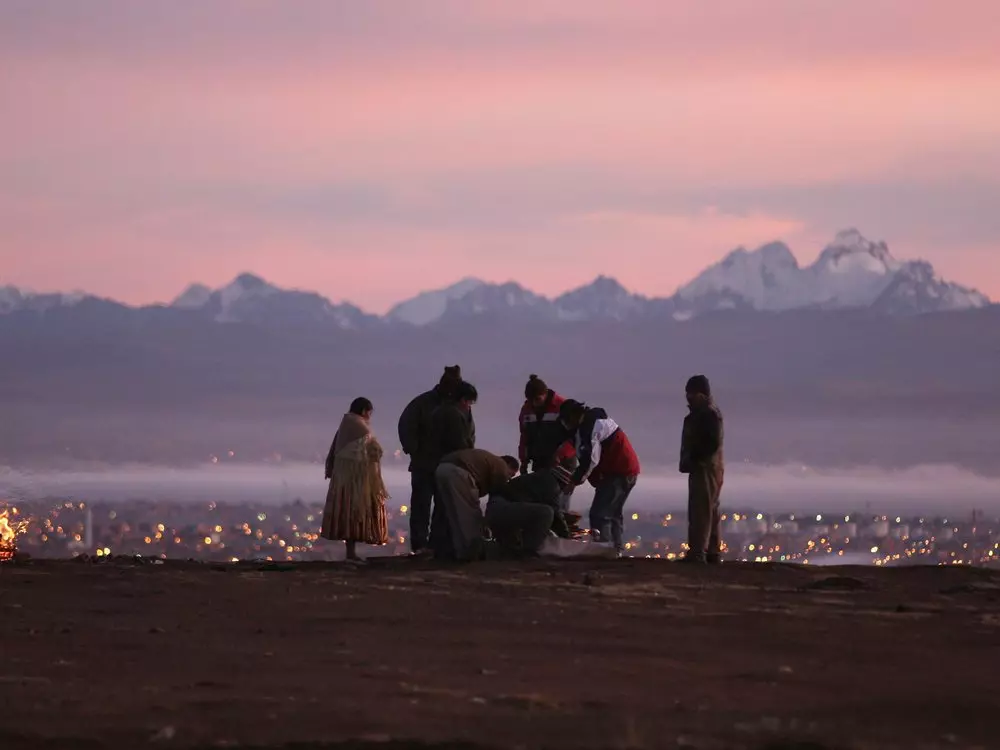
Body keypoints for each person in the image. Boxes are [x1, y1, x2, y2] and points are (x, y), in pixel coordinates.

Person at [559, 399, 641, 556]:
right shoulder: (596, 422)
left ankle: (603, 551)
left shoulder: (589, 427)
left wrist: (574, 481)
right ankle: (616, 549)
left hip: (618, 472)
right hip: (627, 470)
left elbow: (591, 459)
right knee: (614, 513)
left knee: (600, 513)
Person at [397, 365, 463, 554]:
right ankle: (421, 545)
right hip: (425, 465)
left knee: (439, 507)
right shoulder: (423, 403)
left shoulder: (433, 403)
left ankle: (434, 544)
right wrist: (414, 450)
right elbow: (406, 426)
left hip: (441, 464)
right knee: (422, 506)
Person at [320, 397, 389, 562]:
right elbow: (375, 450)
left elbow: (335, 451)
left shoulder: (344, 425)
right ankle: (351, 553)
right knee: (356, 512)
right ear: (365, 411)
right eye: (369, 413)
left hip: (342, 480)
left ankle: (350, 552)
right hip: (357, 481)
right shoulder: (360, 427)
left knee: (347, 513)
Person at [434, 449, 519, 561]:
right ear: (508, 465)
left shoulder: (488, 460)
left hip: (441, 469)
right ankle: (472, 552)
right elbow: (497, 492)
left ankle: (457, 551)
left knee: (453, 514)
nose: (508, 478)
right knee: (470, 517)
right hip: (459, 473)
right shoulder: (501, 466)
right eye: (511, 474)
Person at [426, 381, 478, 558]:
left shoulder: (439, 412)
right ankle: (446, 548)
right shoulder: (454, 415)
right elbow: (460, 442)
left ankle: (438, 547)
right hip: (452, 464)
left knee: (441, 507)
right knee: (447, 509)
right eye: (469, 402)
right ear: (462, 399)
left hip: (436, 463)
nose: (469, 406)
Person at [486, 459, 578, 558]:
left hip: (499, 508)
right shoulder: (551, 484)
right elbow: (556, 514)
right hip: (501, 508)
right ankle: (528, 552)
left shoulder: (543, 477)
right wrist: (567, 537)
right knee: (546, 513)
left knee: (508, 550)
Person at [678, 375, 725, 565]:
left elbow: (711, 443)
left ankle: (698, 552)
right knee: (710, 509)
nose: (687, 397)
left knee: (701, 510)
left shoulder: (706, 414)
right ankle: (712, 552)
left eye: (691, 393)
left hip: (704, 468)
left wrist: (694, 458)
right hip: (710, 467)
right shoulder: (708, 413)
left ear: (701, 394)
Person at [517, 375, 569, 474]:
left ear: (545, 394)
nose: (534, 403)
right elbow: (524, 436)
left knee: (556, 489)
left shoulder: (563, 406)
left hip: (562, 462)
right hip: (539, 461)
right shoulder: (526, 409)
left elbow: (573, 437)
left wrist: (560, 454)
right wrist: (524, 461)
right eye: (531, 400)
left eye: (537, 399)